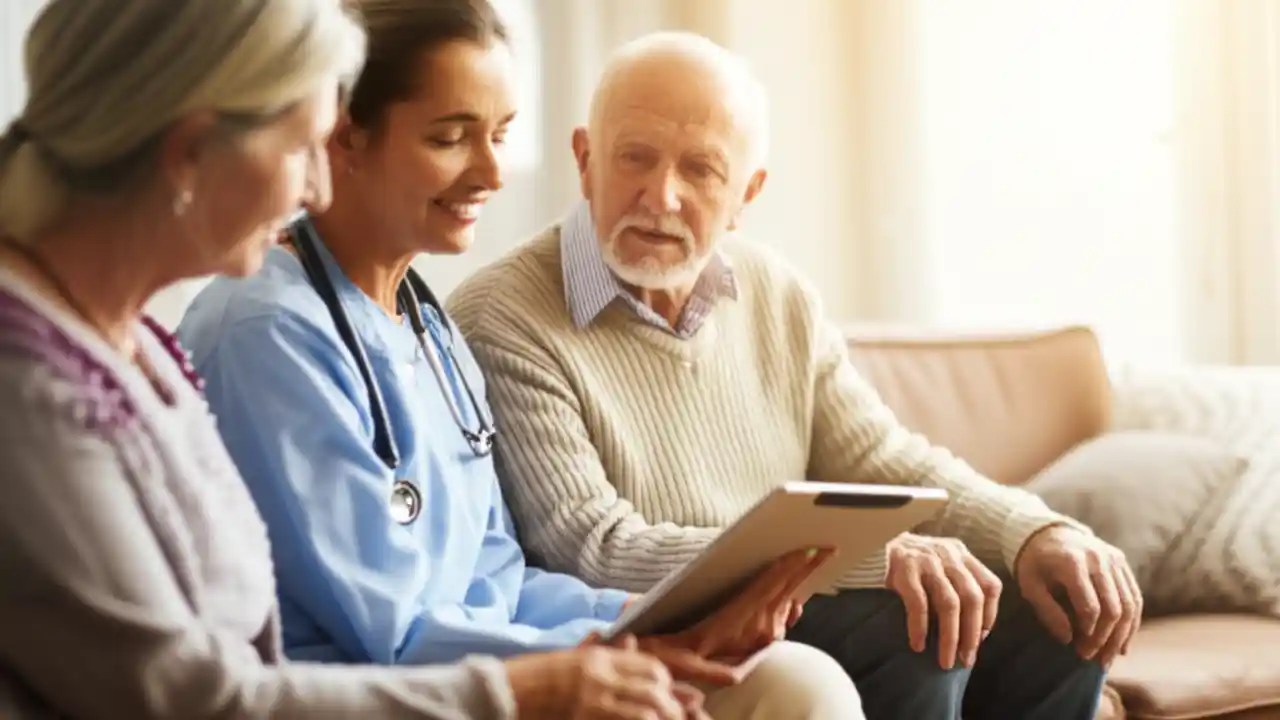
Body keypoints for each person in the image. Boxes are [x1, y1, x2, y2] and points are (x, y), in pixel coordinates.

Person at [0, 2, 715, 718]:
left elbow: (492, 579)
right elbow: (192, 697)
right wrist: (533, 686)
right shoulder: (38, 391)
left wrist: (645, 620)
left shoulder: (138, 351)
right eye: (302, 147)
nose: (315, 187)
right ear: (189, 151)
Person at [177, 2, 862, 719]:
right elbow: (395, 633)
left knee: (793, 676)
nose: (491, 173)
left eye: (501, 136)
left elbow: (499, 581)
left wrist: (644, 616)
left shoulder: (427, 329)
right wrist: (603, 658)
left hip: (499, 670)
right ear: (345, 135)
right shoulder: (267, 333)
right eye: (450, 138)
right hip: (385, 698)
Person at [448, 30, 1145, 720]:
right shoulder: (502, 316)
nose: (661, 196)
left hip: (801, 604)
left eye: (701, 170)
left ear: (746, 192)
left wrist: (1034, 532)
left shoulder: (776, 291)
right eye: (635, 157)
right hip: (655, 627)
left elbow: (882, 461)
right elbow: (593, 548)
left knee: (1060, 614)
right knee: (911, 625)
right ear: (585, 159)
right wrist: (867, 559)